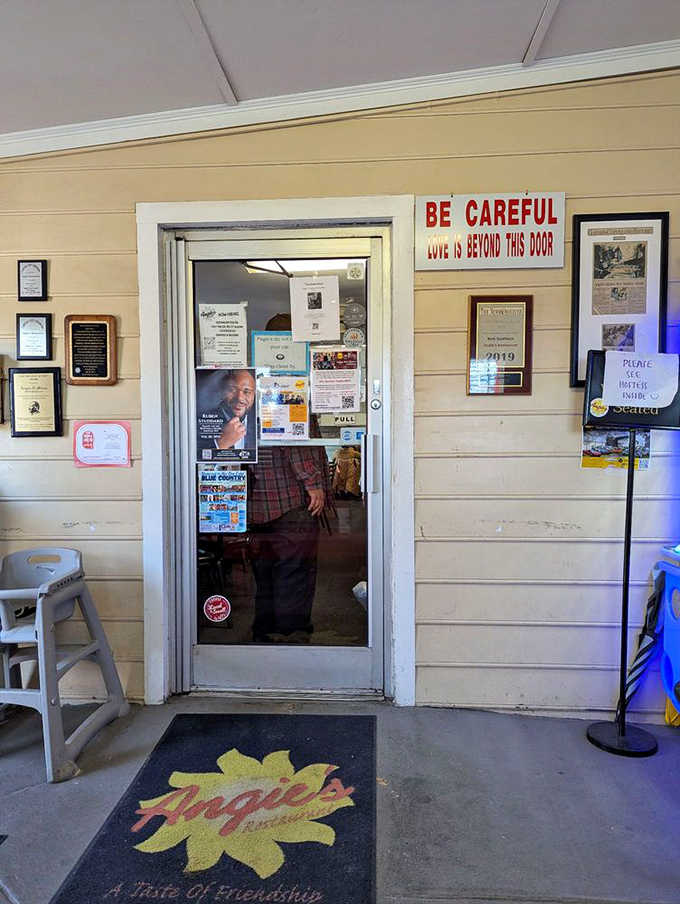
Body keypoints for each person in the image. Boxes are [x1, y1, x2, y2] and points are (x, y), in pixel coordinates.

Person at [248, 313, 333, 643]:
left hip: (258, 498)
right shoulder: (285, 383)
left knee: (266, 570)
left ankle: (264, 629)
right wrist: (313, 482)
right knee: (294, 569)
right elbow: (292, 438)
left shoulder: (254, 384)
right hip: (288, 496)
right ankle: (290, 633)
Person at [197, 368, 257, 460]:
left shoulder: (259, 423)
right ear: (221, 392)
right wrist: (221, 443)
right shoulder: (202, 421)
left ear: (254, 395)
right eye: (232, 390)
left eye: (247, 392)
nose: (240, 398)